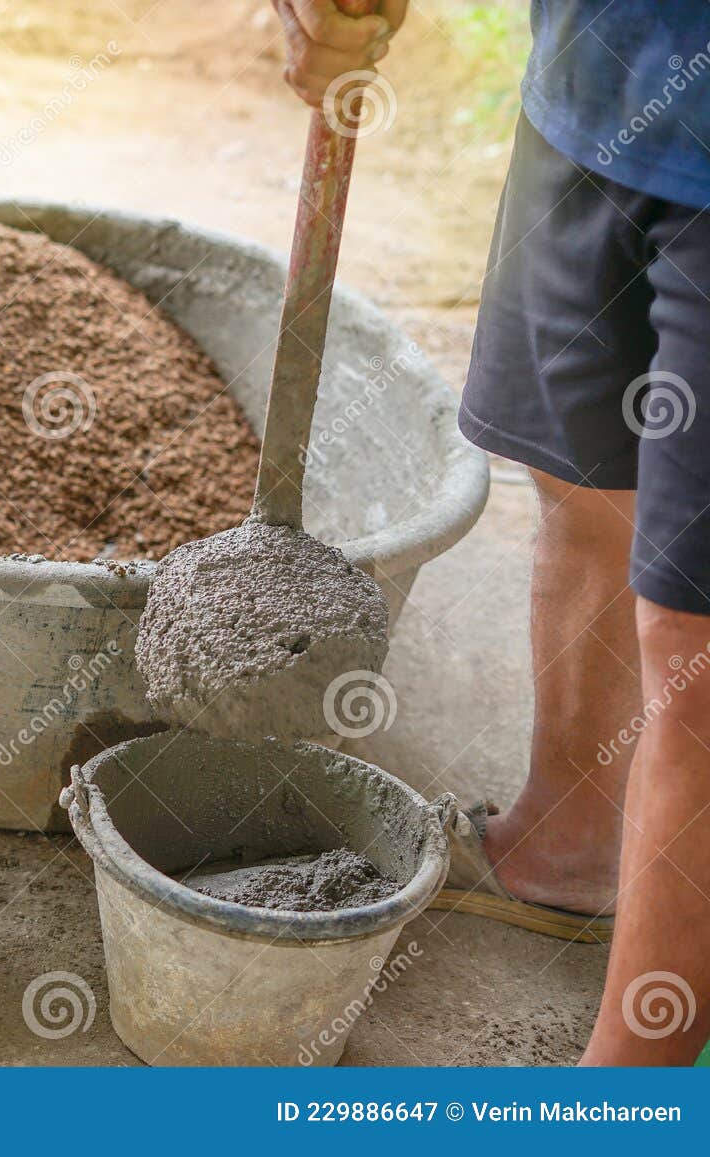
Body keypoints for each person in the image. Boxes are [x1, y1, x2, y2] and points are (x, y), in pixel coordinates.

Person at [272, 0, 710, 1066]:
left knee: (694, 650)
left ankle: (626, 1094)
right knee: (578, 482)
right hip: (595, 87)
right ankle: (562, 844)